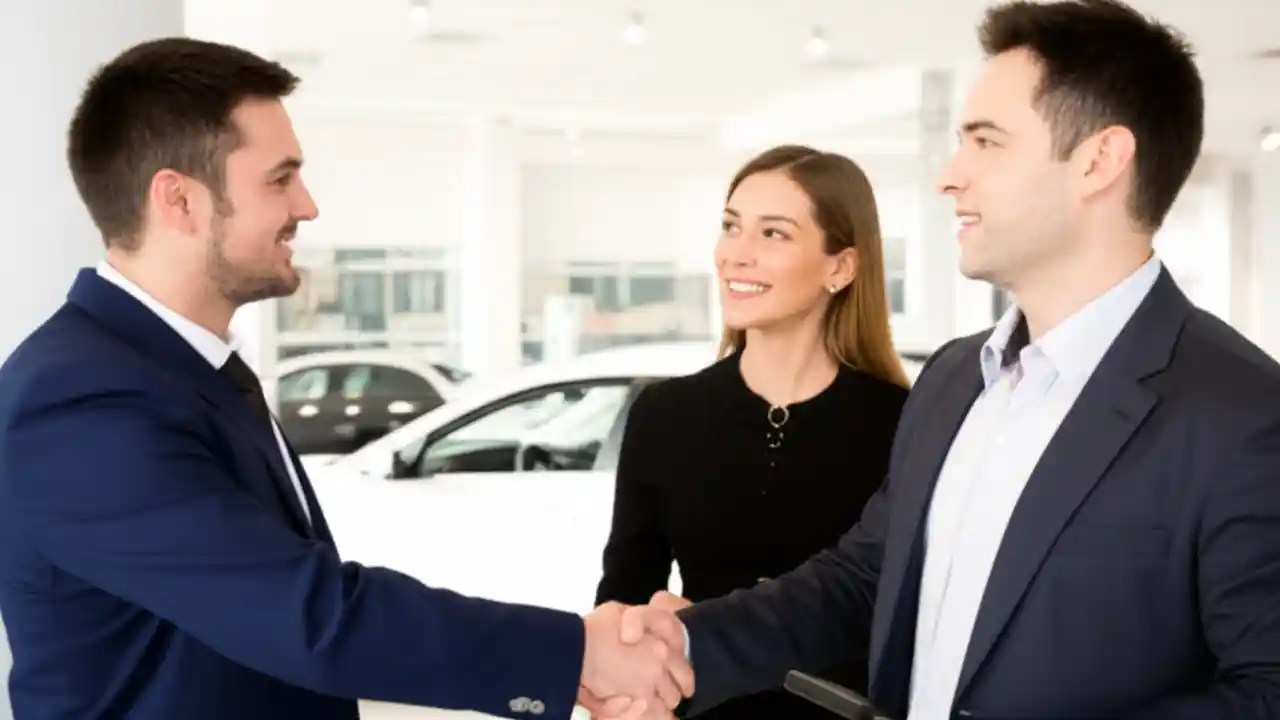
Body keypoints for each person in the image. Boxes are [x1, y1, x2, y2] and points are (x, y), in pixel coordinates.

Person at [606, 1, 1280, 718]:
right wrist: (685, 643)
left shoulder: (1241, 412)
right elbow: (866, 577)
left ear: (1098, 162)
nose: (950, 177)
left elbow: (1267, 689)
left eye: (986, 143)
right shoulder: (957, 378)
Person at [0, 37, 690, 720]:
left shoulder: (186, 369)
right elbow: (310, 617)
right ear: (178, 200)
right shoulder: (79, 400)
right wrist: (577, 655)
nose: (307, 206)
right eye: (279, 179)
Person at [593, 144, 910, 719]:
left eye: (773, 233)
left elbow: (908, 616)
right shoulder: (665, 414)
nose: (736, 255)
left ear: (840, 267)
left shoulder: (905, 423)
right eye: (731, 226)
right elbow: (624, 599)